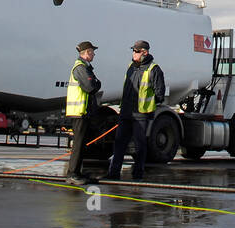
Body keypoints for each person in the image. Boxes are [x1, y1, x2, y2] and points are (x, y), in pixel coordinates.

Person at [106, 40, 164, 181]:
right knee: (119, 143)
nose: (134, 53)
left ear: (144, 52)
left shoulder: (154, 69)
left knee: (140, 145)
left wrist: (146, 106)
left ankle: (138, 174)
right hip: (126, 112)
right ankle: (113, 173)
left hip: (141, 114)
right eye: (133, 51)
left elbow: (159, 94)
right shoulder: (131, 67)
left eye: (136, 51)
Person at [64, 41, 103, 185]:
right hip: (79, 112)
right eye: (92, 51)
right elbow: (91, 86)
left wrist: (95, 83)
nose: (93, 54)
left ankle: (77, 173)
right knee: (78, 145)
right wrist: (96, 83)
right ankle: (72, 174)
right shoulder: (80, 68)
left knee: (82, 144)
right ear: (86, 52)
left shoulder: (85, 67)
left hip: (82, 112)